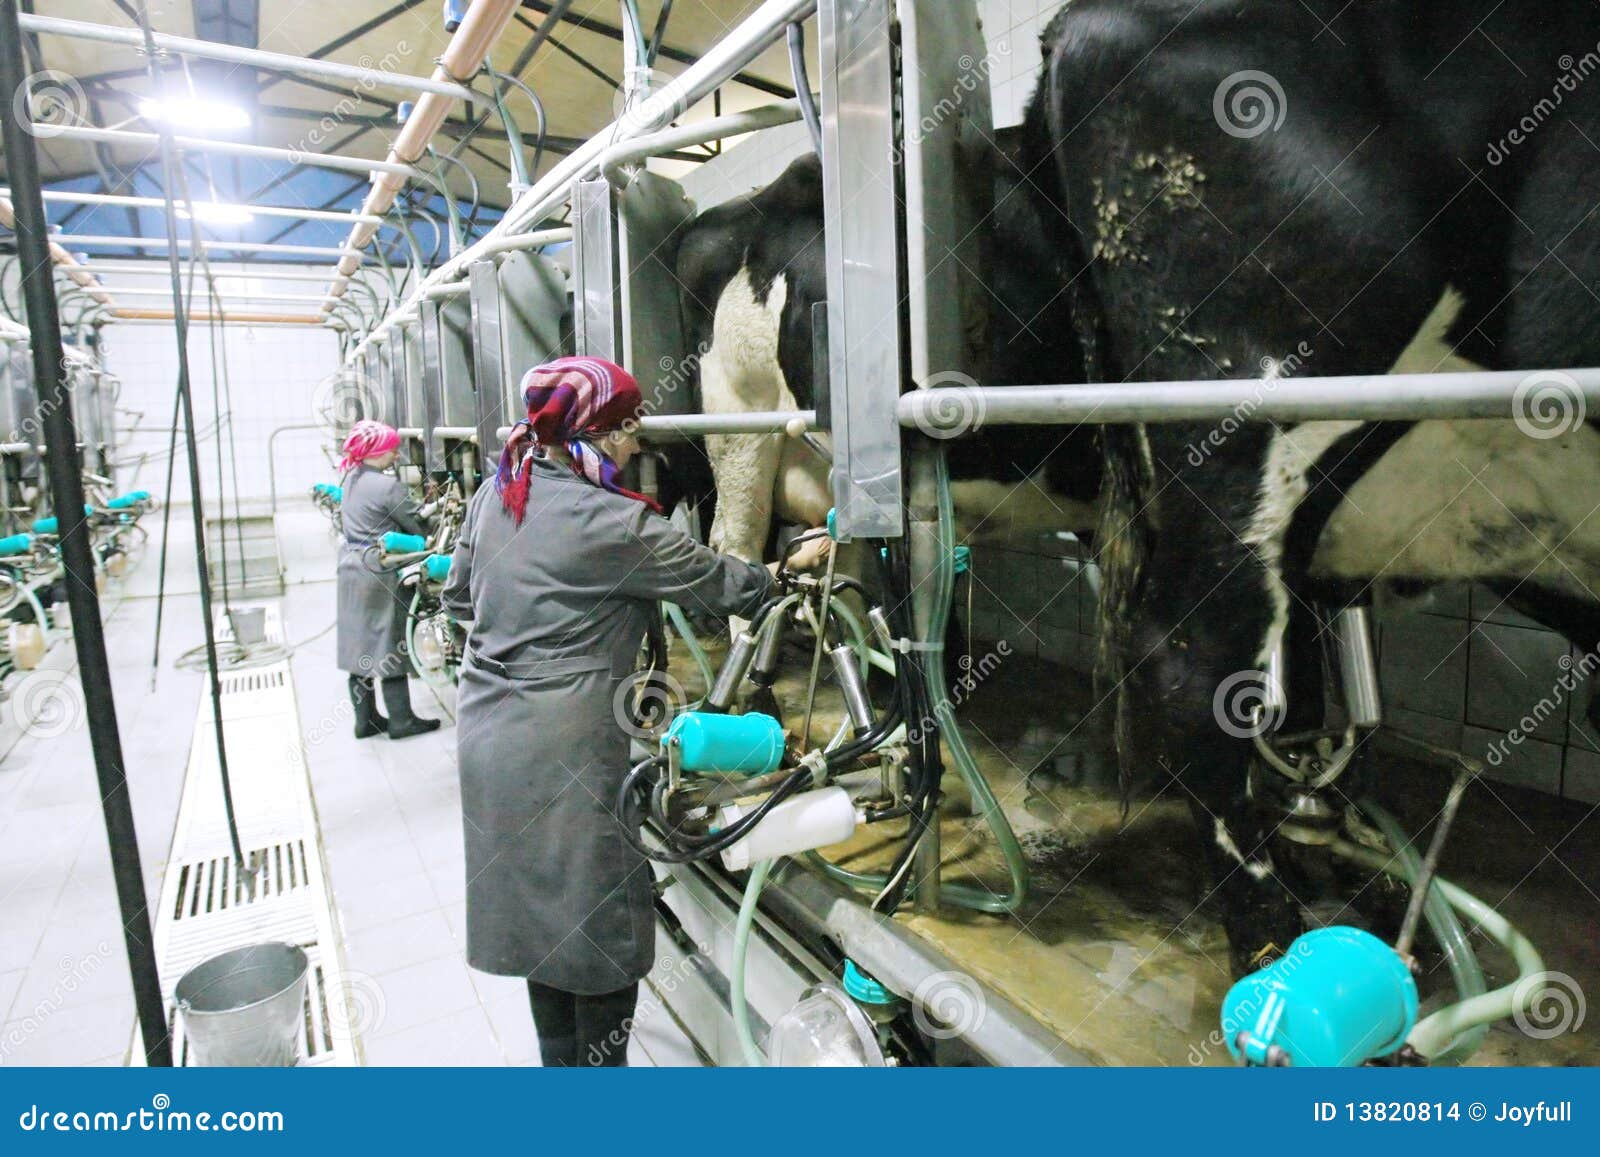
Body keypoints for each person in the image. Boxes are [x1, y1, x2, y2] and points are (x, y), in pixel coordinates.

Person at [442, 357, 827, 1067]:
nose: (632, 447)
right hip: (563, 748)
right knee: (596, 928)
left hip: (487, 732)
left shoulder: (498, 494)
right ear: (592, 431)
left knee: (540, 919)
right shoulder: (609, 521)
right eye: (622, 431)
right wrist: (785, 569)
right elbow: (717, 582)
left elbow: (458, 600)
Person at [335, 419, 442, 741]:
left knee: (360, 646)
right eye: (392, 449)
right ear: (377, 451)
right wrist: (434, 519)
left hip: (350, 567)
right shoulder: (386, 486)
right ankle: (402, 721)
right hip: (378, 569)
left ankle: (365, 720)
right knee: (389, 642)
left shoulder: (351, 479)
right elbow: (417, 526)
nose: (396, 455)